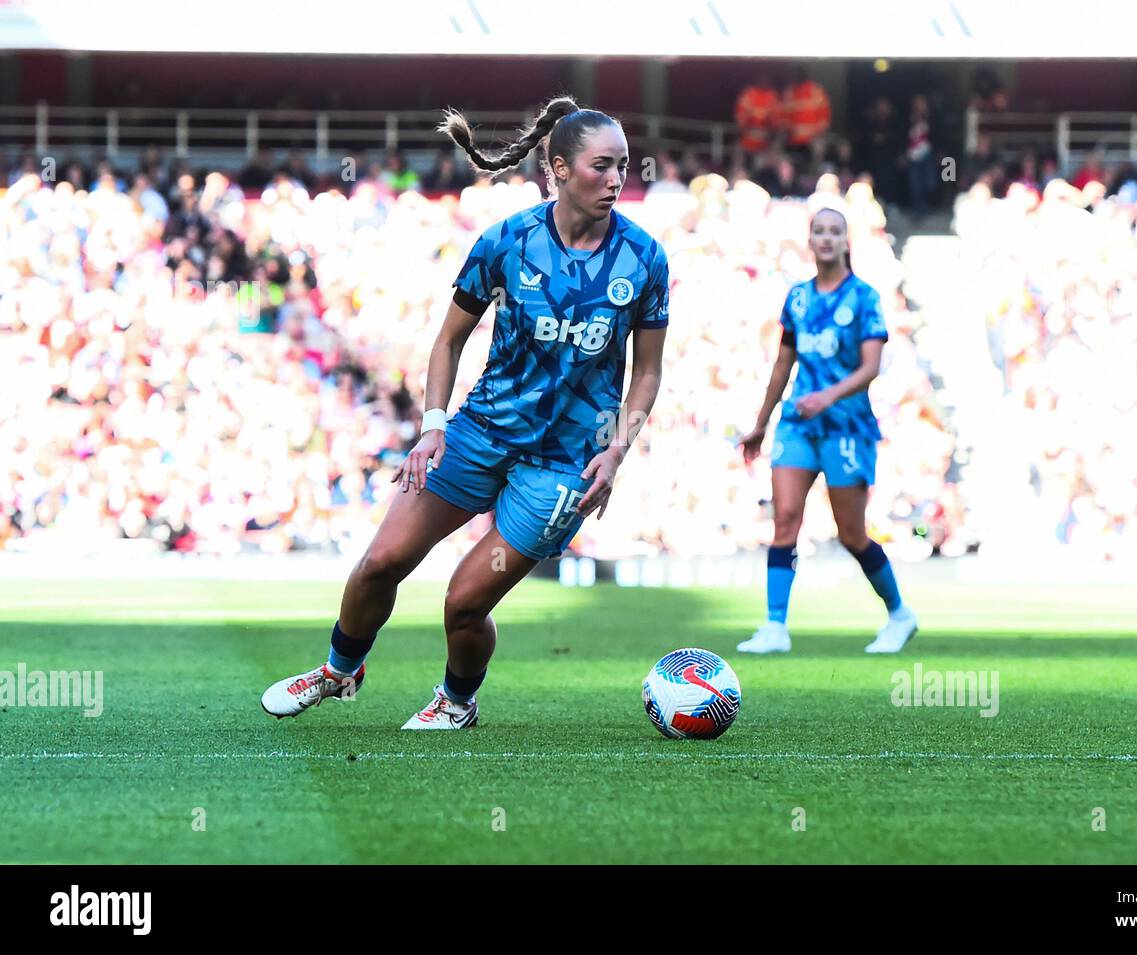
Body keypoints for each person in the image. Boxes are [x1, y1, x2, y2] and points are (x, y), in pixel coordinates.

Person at [261, 96, 670, 727]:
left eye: (623, 165)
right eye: (601, 166)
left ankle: (456, 701)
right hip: (478, 434)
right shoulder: (507, 241)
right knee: (380, 563)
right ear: (558, 169)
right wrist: (432, 428)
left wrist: (616, 449)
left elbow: (646, 371)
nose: (617, 180)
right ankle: (339, 672)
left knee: (464, 603)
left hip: (563, 464)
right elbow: (449, 340)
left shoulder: (644, 259)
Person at [736, 206, 918, 655]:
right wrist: (760, 424)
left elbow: (870, 366)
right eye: (819, 231)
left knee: (851, 534)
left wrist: (828, 396)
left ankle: (899, 614)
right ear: (810, 240)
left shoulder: (864, 298)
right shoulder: (797, 298)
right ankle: (775, 626)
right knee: (785, 521)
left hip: (846, 428)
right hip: (798, 424)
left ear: (846, 241)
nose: (826, 238)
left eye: (835, 231)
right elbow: (783, 365)